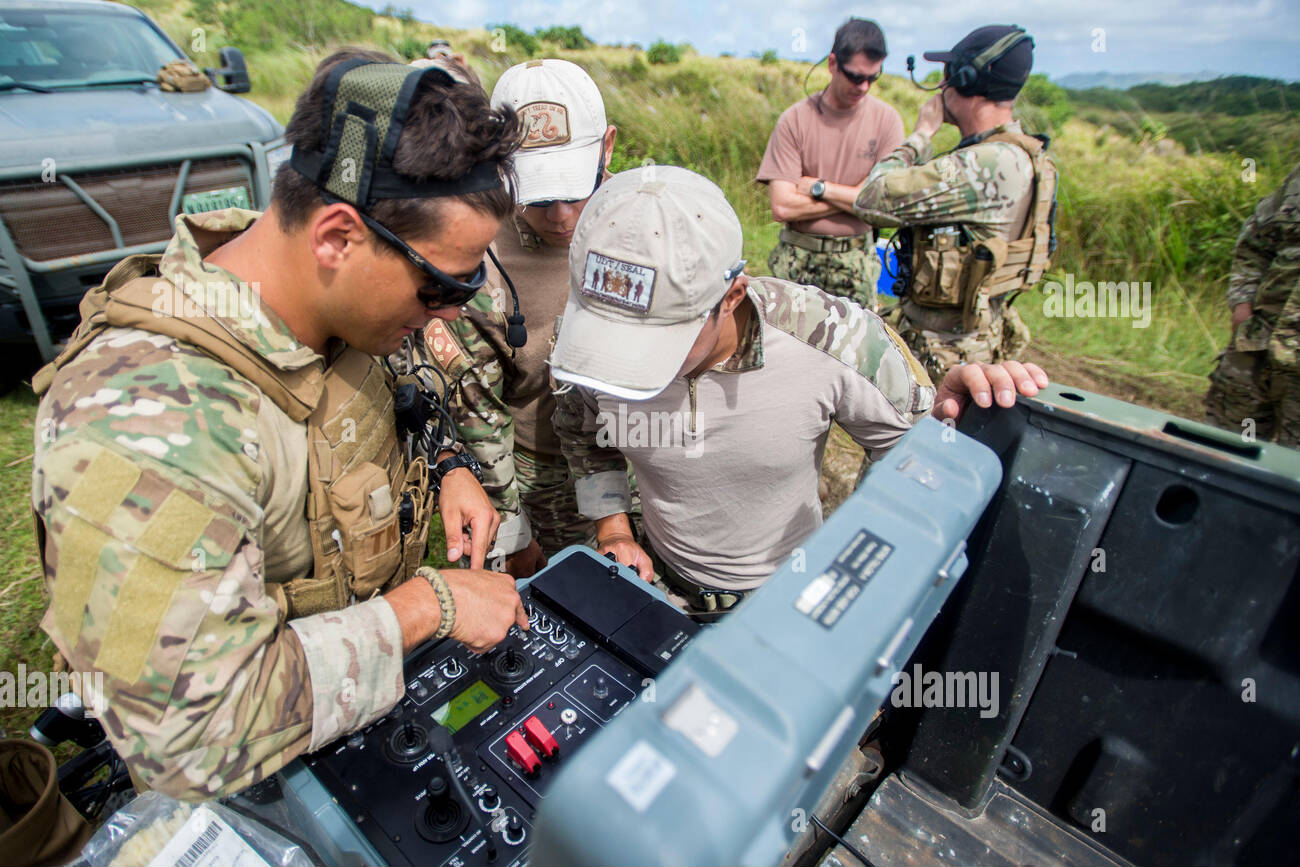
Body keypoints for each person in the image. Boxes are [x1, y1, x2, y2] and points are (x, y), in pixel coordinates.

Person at [29, 49, 529, 801]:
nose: (452, 314)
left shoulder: (340, 309)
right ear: (336, 237)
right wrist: (431, 606)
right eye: (439, 285)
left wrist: (449, 462)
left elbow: (402, 391)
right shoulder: (147, 420)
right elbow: (193, 738)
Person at [550, 165, 1048, 615]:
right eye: (618, 338)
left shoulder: (830, 338)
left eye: (659, 340)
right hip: (656, 586)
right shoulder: (589, 345)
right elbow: (582, 432)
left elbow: (913, 451)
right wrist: (613, 527)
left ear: (731, 297)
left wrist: (949, 425)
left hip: (789, 600)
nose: (628, 365)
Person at [419, 58, 632, 578]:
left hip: (649, 455)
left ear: (606, 148)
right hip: (541, 474)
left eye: (573, 190)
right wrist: (514, 532)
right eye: (539, 195)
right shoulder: (476, 254)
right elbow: (476, 408)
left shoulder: (646, 219)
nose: (560, 215)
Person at [818, 25, 1057, 382]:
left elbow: (873, 196)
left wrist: (921, 135)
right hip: (983, 338)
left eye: (948, 74)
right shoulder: (1030, 157)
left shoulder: (985, 164)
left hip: (942, 353)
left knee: (910, 438)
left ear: (965, 79)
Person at [757, 17, 903, 312]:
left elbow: (888, 208)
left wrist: (820, 188)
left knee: (854, 356)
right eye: (855, 76)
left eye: (873, 78)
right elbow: (782, 207)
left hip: (856, 263)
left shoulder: (887, 121)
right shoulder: (795, 119)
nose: (863, 87)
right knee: (789, 351)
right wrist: (860, 197)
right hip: (798, 260)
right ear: (833, 63)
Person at [1204, 160, 1300, 448]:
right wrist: (1242, 302)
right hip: (1254, 349)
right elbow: (1257, 240)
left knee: (1290, 479)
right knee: (1221, 451)